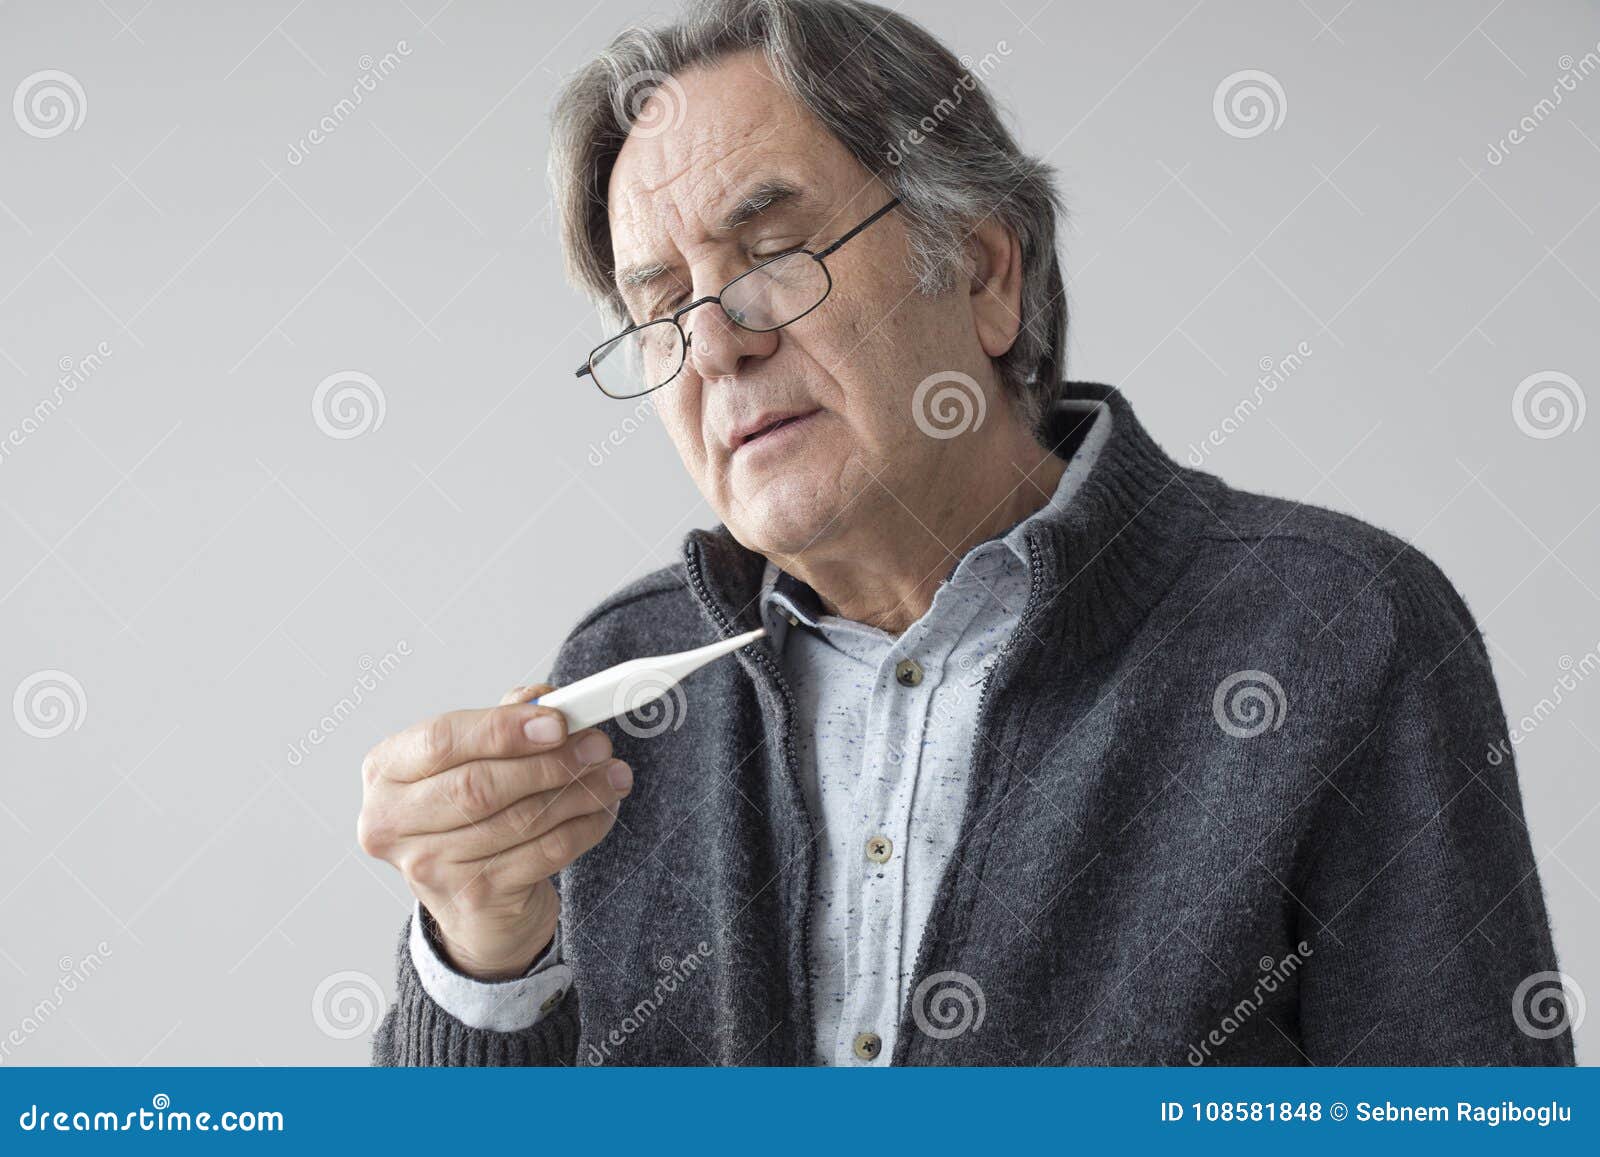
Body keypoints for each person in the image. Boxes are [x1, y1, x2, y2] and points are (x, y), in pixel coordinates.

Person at [357, 0, 1573, 1066]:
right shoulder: (616, 688)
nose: (716, 341)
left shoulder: (1335, 627)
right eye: (660, 306)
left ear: (986, 270)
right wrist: (483, 957)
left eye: (773, 254)